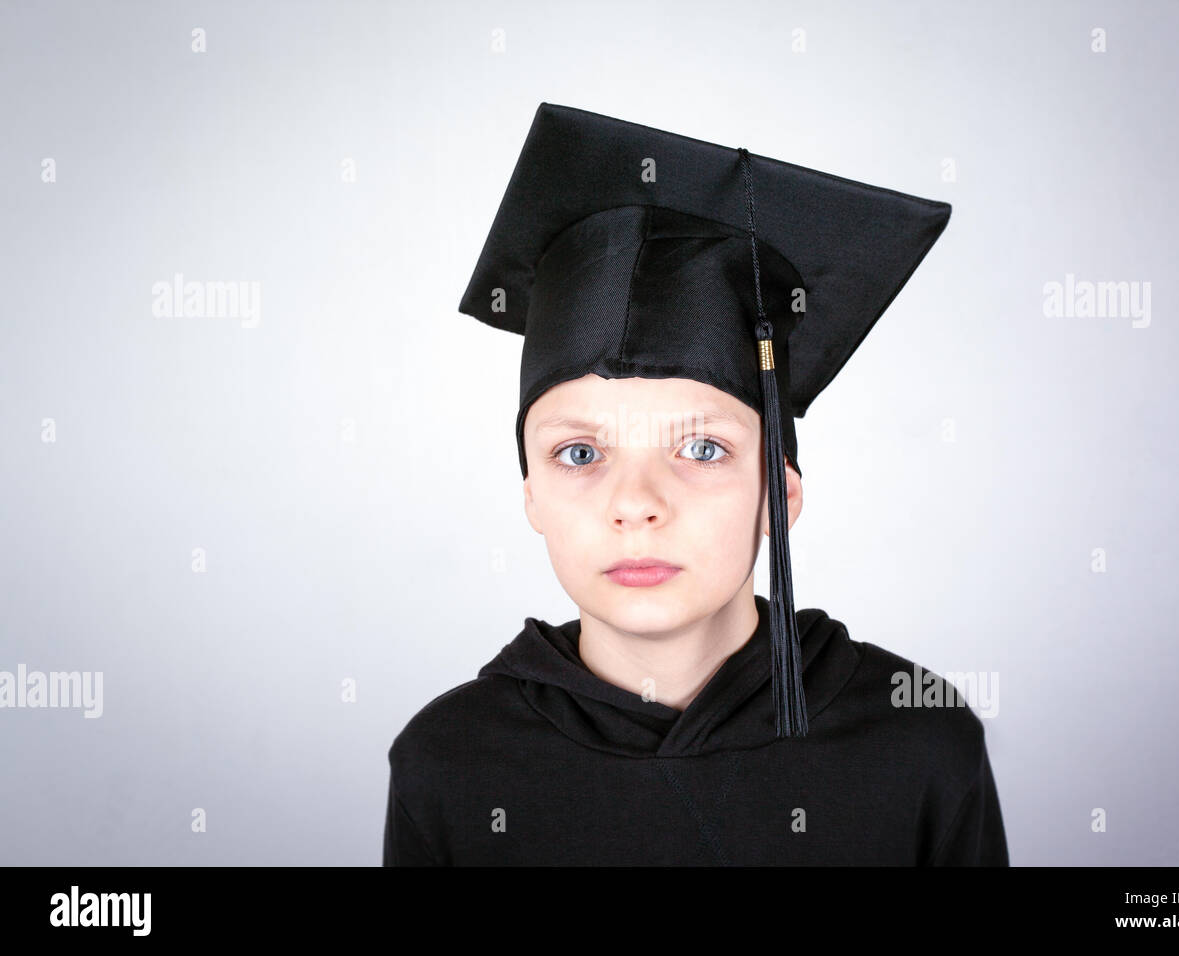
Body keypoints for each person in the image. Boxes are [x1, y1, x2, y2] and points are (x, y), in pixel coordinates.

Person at [383, 102, 1009, 865]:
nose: (637, 504)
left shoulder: (919, 743)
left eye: (703, 448)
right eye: (580, 454)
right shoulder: (451, 761)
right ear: (530, 496)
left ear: (782, 491)